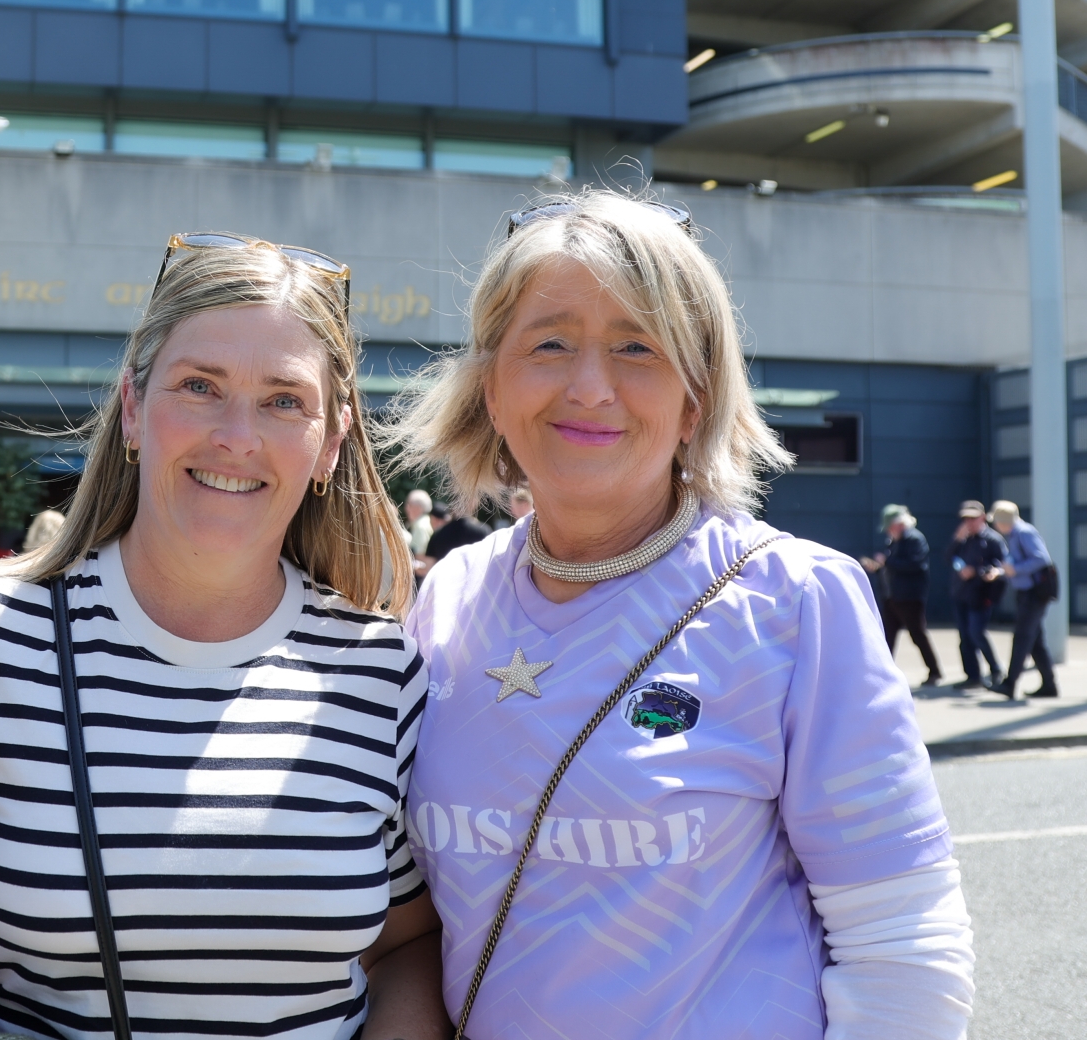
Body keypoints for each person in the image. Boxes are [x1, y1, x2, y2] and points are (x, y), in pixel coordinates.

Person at [396, 193, 972, 1040]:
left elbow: (902, 947)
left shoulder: (798, 600)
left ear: (695, 396)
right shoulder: (447, 597)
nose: (591, 386)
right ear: (491, 385)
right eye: (549, 343)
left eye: (638, 346)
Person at [0, 233, 444, 1040]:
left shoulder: (381, 671)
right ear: (134, 408)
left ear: (331, 442)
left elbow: (408, 948)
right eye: (200, 385)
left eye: (284, 400)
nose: (237, 435)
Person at [861, 505, 940, 688]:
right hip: (892, 597)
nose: (888, 531)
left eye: (890, 526)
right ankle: (882, 674)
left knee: (917, 634)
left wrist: (887, 561)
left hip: (909, 598)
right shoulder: (894, 541)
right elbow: (892, 567)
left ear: (900, 524)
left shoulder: (914, 539)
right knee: (887, 637)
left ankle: (934, 671)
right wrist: (878, 567)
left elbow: (915, 564)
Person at [990, 501, 1059, 699]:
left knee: (1022, 637)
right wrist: (1001, 572)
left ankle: (1009, 684)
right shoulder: (1014, 535)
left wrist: (1015, 569)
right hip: (1026, 592)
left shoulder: (1024, 532)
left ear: (1003, 521)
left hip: (1034, 593)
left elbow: (1041, 558)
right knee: (1035, 641)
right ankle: (1049, 685)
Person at [949, 501, 1006, 689]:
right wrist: (957, 540)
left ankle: (996, 670)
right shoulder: (963, 539)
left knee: (976, 632)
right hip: (961, 594)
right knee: (965, 637)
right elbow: (948, 558)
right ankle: (973, 676)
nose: (969, 523)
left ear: (982, 518)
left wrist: (976, 571)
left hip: (981, 594)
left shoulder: (993, 540)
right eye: (966, 519)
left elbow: (1001, 566)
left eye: (973, 518)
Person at [419, 501, 490, 578]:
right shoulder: (484, 532)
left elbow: (429, 567)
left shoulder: (438, 534)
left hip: (445, 582)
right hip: (475, 582)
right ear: (474, 505)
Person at [403, 488, 434, 557]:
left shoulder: (421, 526)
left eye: (409, 505)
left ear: (418, 508)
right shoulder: (424, 522)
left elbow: (419, 555)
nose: (406, 508)